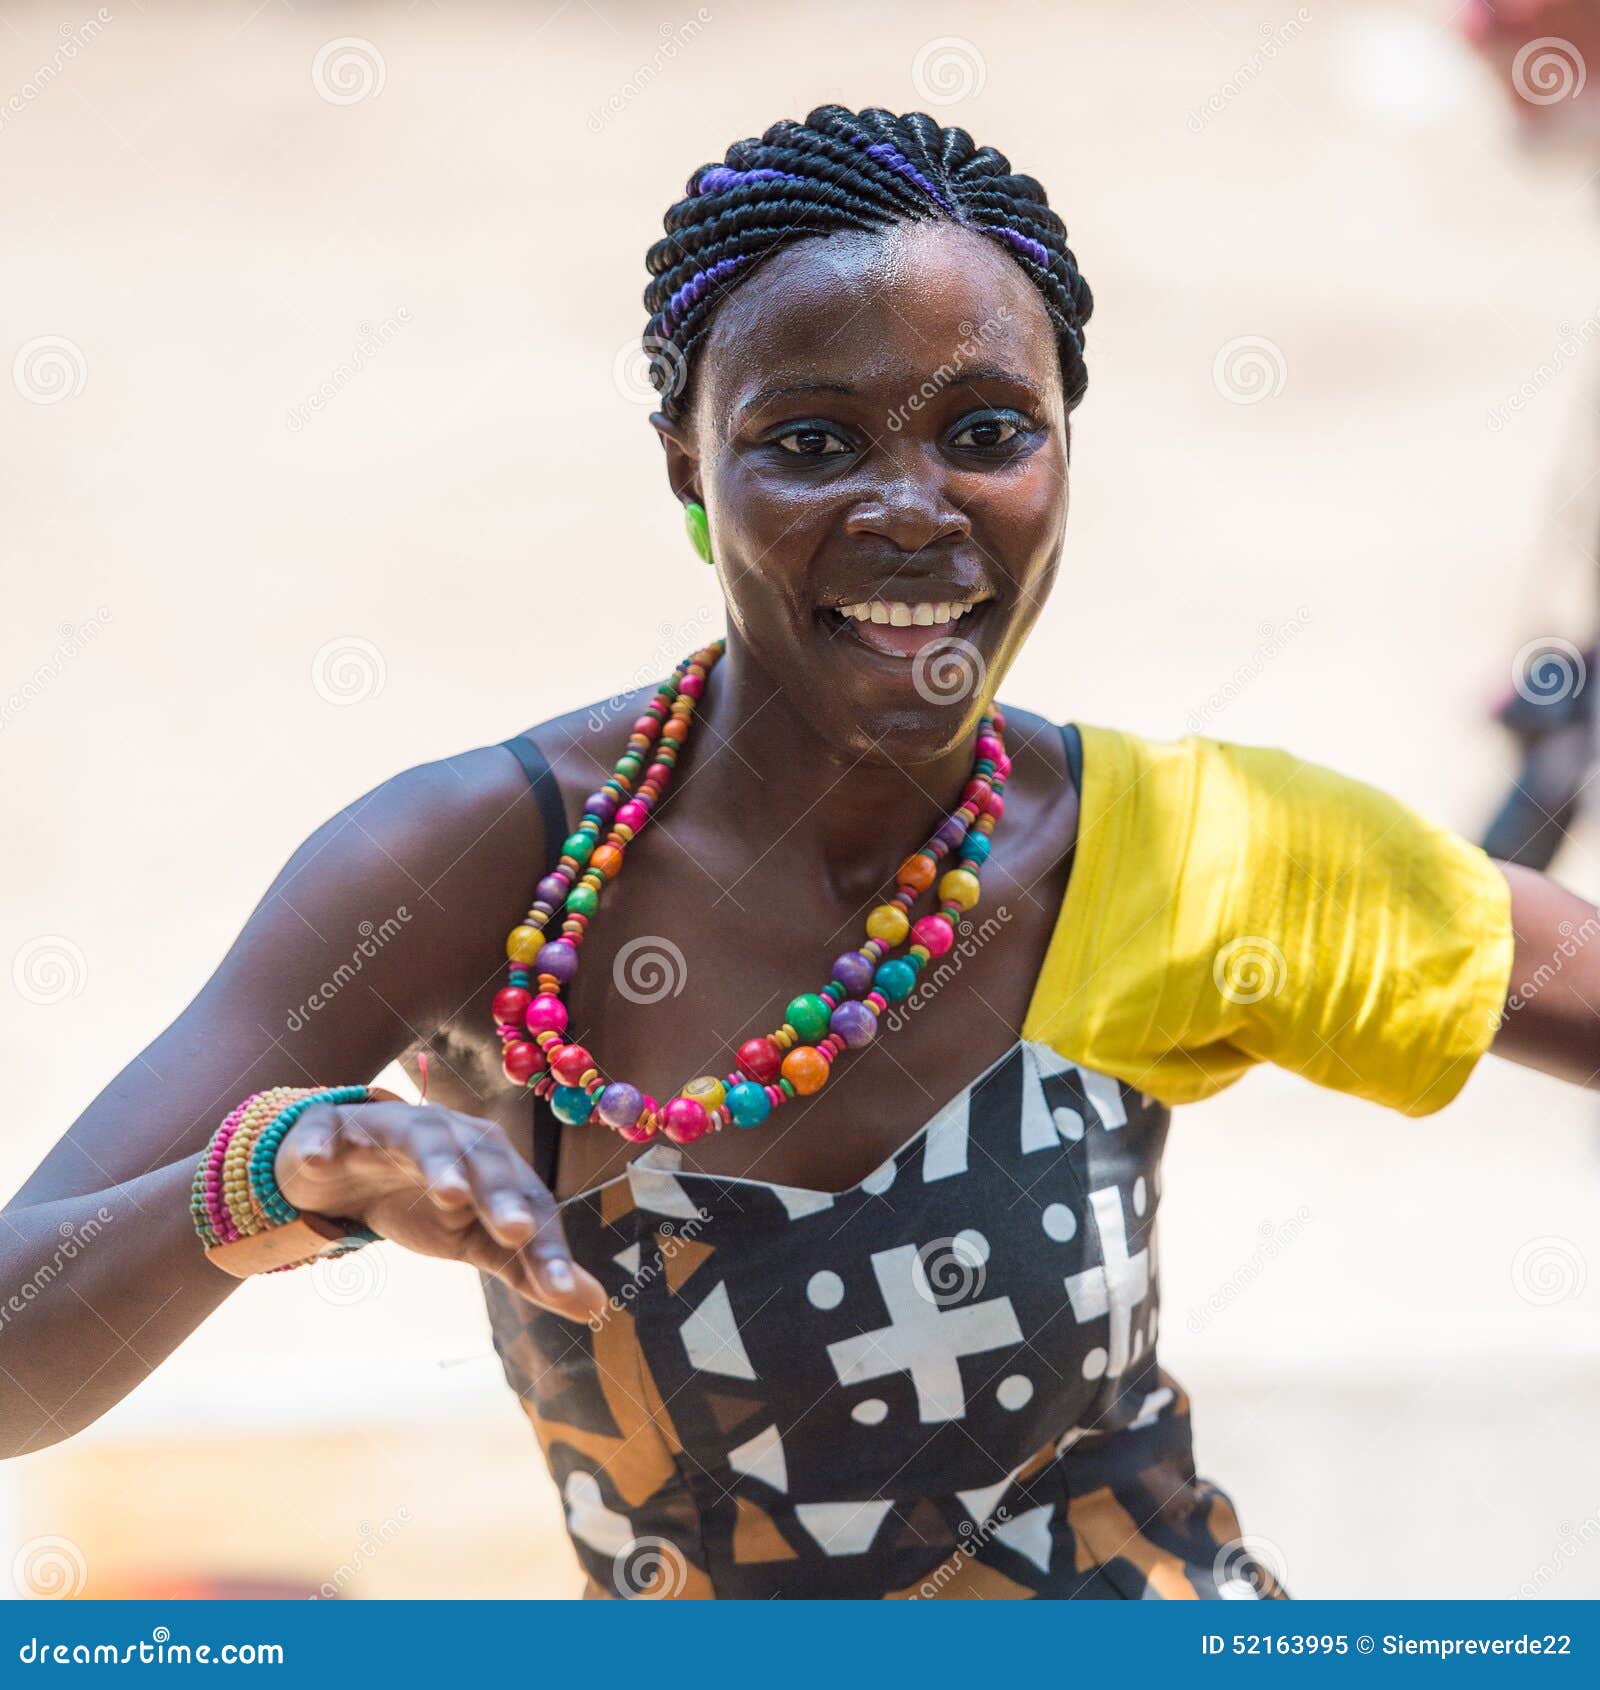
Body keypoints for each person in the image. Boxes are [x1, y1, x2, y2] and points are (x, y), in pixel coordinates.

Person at [3, 106, 1596, 1602]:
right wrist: (279, 1173)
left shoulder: (1190, 848)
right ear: (688, 462)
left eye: (987, 430)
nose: (915, 508)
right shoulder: (486, 867)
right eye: (812, 440)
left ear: (1062, 452)